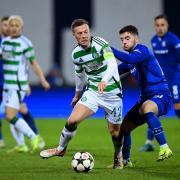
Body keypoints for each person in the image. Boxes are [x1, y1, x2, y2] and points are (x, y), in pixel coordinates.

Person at [40, 18, 129, 169]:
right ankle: (60, 149)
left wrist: (105, 80)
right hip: (93, 92)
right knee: (72, 120)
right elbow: (80, 75)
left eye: (86, 32)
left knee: (115, 133)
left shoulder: (100, 43)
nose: (84, 35)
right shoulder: (76, 54)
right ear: (74, 35)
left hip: (113, 94)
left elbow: (113, 64)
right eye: (80, 33)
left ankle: (118, 156)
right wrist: (77, 94)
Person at [111, 25, 173, 162]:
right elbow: (114, 72)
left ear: (136, 39)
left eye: (127, 38)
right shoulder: (131, 60)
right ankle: (126, 161)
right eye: (121, 39)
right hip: (145, 98)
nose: (124, 42)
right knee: (124, 128)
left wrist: (109, 49)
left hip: (161, 94)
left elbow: (130, 59)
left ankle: (164, 147)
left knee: (147, 108)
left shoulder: (142, 50)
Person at [0, 15, 50, 152]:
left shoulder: (25, 43)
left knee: (9, 115)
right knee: (12, 114)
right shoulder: (4, 43)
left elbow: (33, 64)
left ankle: (33, 137)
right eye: (12, 25)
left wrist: (43, 79)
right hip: (7, 86)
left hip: (17, 86)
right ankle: (21, 144)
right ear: (8, 27)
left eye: (17, 25)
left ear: (21, 28)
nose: (14, 28)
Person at [140, 14, 180, 152]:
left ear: (167, 25)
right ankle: (149, 142)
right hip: (160, 82)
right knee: (152, 108)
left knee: (178, 108)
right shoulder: (154, 40)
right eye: (157, 25)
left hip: (174, 79)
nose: (160, 28)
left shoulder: (174, 40)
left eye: (162, 25)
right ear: (154, 26)